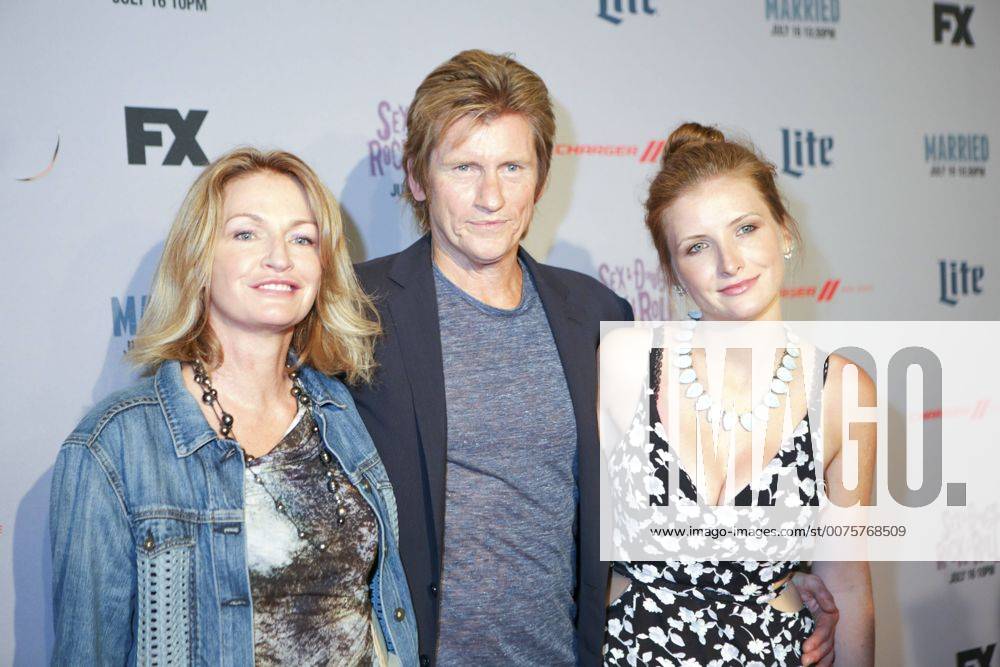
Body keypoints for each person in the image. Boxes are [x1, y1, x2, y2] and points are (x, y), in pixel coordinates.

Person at [349, 50, 840, 667]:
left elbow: (660, 498)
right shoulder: (355, 309)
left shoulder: (597, 314)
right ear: (418, 179)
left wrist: (773, 584)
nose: (490, 196)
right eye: (464, 167)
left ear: (541, 180)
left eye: (512, 167)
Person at [49, 147, 417, 666]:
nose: (280, 257)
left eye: (302, 238)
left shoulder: (341, 410)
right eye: (247, 234)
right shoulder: (115, 446)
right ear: (198, 259)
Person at [600, 123, 876, 666]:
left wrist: (797, 581)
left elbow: (848, 585)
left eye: (746, 228)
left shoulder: (842, 392)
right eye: (698, 246)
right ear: (673, 272)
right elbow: (569, 540)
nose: (730, 263)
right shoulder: (626, 364)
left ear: (785, 231)